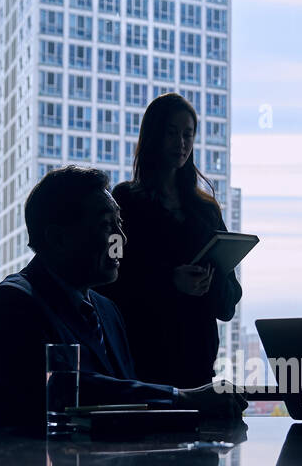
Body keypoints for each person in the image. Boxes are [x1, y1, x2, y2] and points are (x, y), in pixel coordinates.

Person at [0, 165, 245, 427]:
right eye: (107, 225)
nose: (122, 238)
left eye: (119, 222)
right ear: (58, 238)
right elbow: (62, 391)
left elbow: (126, 401)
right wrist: (184, 398)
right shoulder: (12, 305)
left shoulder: (106, 311)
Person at [98, 93, 242, 389]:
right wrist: (169, 282)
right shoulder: (125, 202)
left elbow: (228, 303)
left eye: (188, 134)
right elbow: (108, 287)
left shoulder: (206, 210)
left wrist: (209, 281)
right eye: (171, 133)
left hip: (199, 366)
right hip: (144, 366)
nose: (181, 143)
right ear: (153, 135)